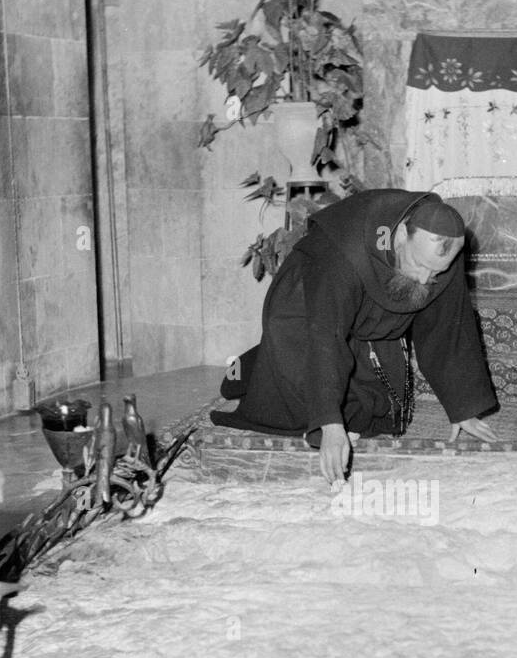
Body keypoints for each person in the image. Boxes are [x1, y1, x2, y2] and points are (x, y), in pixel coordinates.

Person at [210, 189, 499, 484]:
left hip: (359, 312)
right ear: (401, 235)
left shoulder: (439, 253)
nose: (426, 280)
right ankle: (255, 367)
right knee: (296, 405)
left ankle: (271, 369)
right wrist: (330, 425)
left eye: (436, 272)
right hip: (305, 307)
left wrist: (462, 406)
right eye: (421, 266)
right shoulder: (345, 250)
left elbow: (448, 327)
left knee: (373, 411)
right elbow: (326, 334)